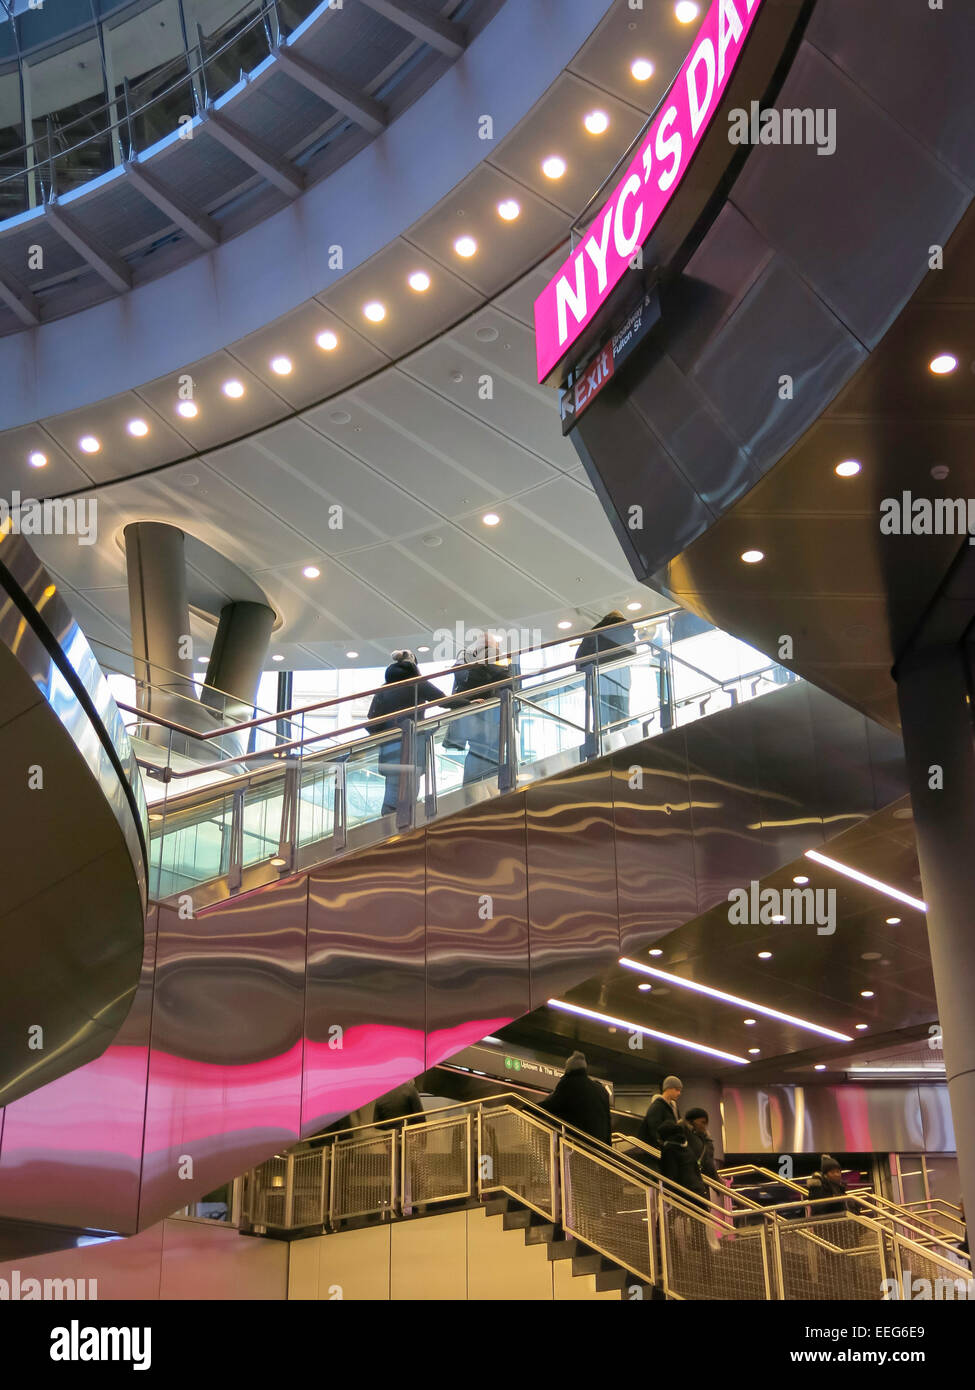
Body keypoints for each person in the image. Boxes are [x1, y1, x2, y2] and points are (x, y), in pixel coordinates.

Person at [367, 651, 444, 814]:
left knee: (391, 793)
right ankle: (401, 829)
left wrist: (386, 735)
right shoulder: (417, 683)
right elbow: (443, 700)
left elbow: (372, 721)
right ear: (414, 665)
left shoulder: (384, 688)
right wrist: (468, 702)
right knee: (409, 796)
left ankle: (386, 826)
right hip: (412, 748)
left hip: (390, 750)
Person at [448, 635, 509, 786]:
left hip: (486, 718)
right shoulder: (472, 664)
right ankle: (477, 789)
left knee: (485, 754)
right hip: (482, 719)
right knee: (483, 754)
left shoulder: (469, 664)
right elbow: (475, 677)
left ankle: (482, 789)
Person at [575, 610, 637, 736]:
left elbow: (580, 660)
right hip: (620, 683)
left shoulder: (593, 634)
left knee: (600, 721)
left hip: (599, 684)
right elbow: (632, 653)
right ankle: (621, 744)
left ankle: (598, 745)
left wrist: (587, 684)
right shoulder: (626, 630)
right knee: (621, 719)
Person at [540, 1051, 611, 1144]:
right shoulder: (600, 1089)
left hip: (579, 1142)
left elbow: (551, 1105)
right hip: (600, 1145)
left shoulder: (569, 1083)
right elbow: (608, 1121)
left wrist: (526, 1106)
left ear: (568, 1069)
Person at [658, 1120, 707, 1202]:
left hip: (684, 1193)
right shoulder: (686, 1147)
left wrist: (666, 1194)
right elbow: (696, 1170)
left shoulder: (669, 1149)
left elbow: (670, 1172)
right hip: (698, 1190)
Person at [638, 1075, 683, 1153]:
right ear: (668, 1088)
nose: (679, 1093)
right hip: (658, 1151)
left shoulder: (673, 1107)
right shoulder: (657, 1107)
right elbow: (655, 1131)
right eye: (677, 1090)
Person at [683, 1108, 720, 1185]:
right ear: (691, 1122)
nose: (705, 1126)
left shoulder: (705, 1140)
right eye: (702, 1122)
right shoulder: (689, 1137)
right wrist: (717, 1182)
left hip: (698, 1180)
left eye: (706, 1123)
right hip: (694, 1182)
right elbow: (708, 1164)